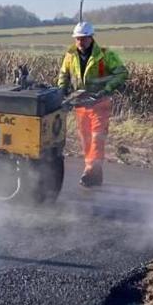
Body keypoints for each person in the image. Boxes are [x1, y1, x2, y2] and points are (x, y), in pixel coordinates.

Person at [55, 21, 129, 187]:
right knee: (86, 140)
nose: (80, 41)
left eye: (83, 38)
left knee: (97, 138)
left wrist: (107, 89)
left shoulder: (105, 55)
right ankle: (95, 172)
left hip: (100, 103)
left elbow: (122, 73)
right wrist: (61, 91)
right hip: (81, 104)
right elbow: (63, 75)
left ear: (91, 38)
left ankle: (90, 170)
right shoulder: (70, 55)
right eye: (78, 38)